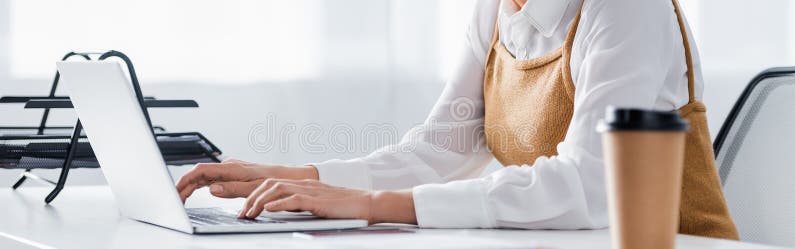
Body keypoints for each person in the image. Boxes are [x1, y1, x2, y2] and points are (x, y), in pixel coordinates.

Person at [176, 0, 739, 239]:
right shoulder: (496, 9)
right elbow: (439, 150)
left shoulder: (624, 10)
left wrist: (376, 207)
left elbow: (594, 187)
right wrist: (309, 179)